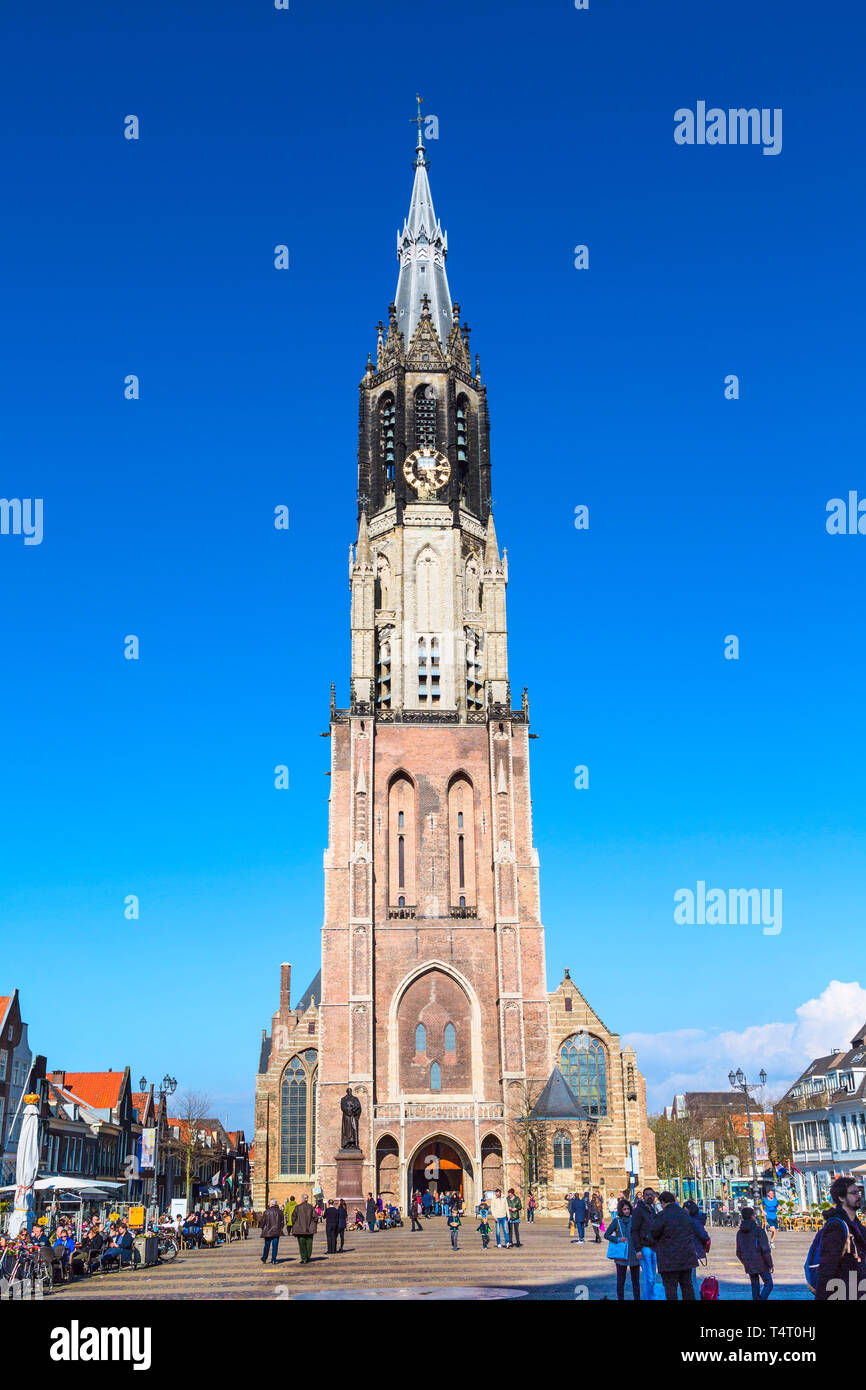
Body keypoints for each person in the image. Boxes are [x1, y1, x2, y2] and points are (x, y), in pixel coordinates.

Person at [813, 1175, 866, 1301]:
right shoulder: (836, 1227)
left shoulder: (857, 1225)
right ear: (841, 1197)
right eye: (854, 1193)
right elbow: (826, 1268)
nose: (859, 1196)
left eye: (859, 1192)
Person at [648, 1192, 698, 1300]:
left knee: (671, 1288)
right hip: (687, 1257)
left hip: (669, 1259)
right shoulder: (685, 1213)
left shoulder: (662, 1216)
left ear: (663, 1202)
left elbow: (653, 1233)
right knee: (687, 1286)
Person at [605, 1197, 641, 1301]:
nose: (627, 1211)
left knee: (636, 1281)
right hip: (621, 1255)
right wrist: (617, 1239)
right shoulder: (617, 1221)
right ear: (621, 1210)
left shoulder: (634, 1220)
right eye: (624, 1209)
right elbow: (606, 1235)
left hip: (634, 1253)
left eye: (628, 1209)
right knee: (621, 1281)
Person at [736, 1206, 774, 1300]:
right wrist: (770, 1264)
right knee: (769, 1284)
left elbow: (738, 1252)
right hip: (761, 1262)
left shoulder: (740, 1232)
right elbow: (765, 1249)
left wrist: (745, 1261)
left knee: (755, 1285)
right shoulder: (758, 1230)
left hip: (749, 1262)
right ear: (752, 1216)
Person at [631, 1188, 659, 1300]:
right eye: (647, 1195)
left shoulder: (652, 1210)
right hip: (644, 1247)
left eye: (651, 1195)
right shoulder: (639, 1210)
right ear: (643, 1196)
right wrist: (637, 1249)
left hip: (653, 1246)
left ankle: (650, 1297)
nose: (649, 1197)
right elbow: (634, 1230)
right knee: (649, 1277)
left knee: (653, 1276)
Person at [291, 1194, 318, 1264]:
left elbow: (293, 1217)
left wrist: (295, 1224)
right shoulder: (311, 1207)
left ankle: (304, 1258)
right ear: (307, 1199)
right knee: (309, 1244)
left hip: (300, 1229)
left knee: (302, 1244)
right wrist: (313, 1224)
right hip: (310, 1229)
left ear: (302, 1199)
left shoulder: (297, 1207)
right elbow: (315, 1217)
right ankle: (308, 1257)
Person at [259, 1198, 284, 1265]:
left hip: (267, 1231)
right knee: (275, 1246)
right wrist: (280, 1228)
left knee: (267, 1245)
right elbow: (282, 1222)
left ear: (272, 1204)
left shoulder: (266, 1211)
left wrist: (262, 1228)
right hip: (276, 1231)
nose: (269, 1204)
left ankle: (264, 1258)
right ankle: (273, 1260)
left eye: (269, 1203)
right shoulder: (280, 1212)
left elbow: (262, 1222)